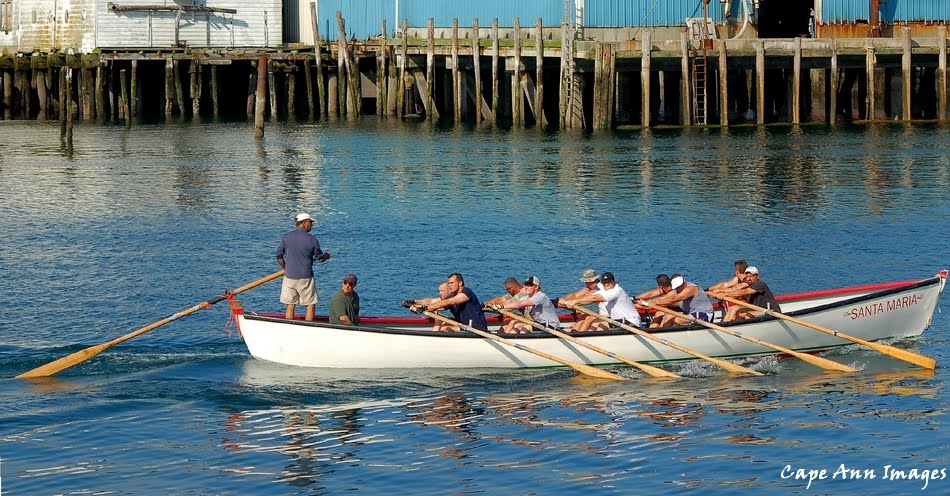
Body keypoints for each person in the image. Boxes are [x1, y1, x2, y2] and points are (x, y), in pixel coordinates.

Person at [276, 212, 331, 321]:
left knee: (290, 304)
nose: (312, 225)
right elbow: (320, 258)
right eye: (310, 222)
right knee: (310, 304)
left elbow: (279, 255)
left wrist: (285, 268)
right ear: (304, 223)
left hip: (289, 276)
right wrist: (326, 256)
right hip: (305, 277)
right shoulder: (312, 239)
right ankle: (309, 327)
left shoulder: (287, 237)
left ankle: (289, 327)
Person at [559, 272, 641, 330]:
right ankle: (577, 337)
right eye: (604, 282)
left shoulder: (615, 291)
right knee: (586, 318)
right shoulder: (603, 290)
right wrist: (560, 301)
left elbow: (593, 298)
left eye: (609, 282)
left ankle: (578, 338)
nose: (606, 284)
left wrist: (573, 302)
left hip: (630, 321)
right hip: (616, 319)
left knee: (591, 320)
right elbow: (579, 296)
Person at [410, 273, 488, 331]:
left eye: (452, 283)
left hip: (477, 328)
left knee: (444, 329)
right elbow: (432, 301)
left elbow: (450, 301)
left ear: (460, 283)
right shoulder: (452, 296)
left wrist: (425, 308)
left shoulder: (466, 293)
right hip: (465, 326)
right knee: (444, 324)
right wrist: (414, 302)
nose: (450, 285)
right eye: (449, 283)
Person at [642, 275, 715, 328]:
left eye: (680, 286)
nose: (679, 288)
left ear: (684, 281)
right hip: (691, 314)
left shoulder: (691, 288)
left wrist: (655, 303)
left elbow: (674, 299)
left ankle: (673, 337)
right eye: (677, 287)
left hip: (705, 314)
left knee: (678, 320)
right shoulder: (677, 290)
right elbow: (664, 299)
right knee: (669, 316)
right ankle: (661, 335)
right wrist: (644, 302)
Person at [712, 266, 781, 321]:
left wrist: (725, 295)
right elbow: (733, 290)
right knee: (733, 308)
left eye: (751, 276)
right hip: (758, 309)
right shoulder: (746, 283)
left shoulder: (760, 284)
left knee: (747, 315)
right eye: (747, 276)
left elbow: (745, 292)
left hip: (771, 311)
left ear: (757, 276)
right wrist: (716, 293)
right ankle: (726, 325)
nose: (748, 279)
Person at [497, 276, 561, 334]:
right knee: (516, 326)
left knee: (526, 328)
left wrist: (502, 306)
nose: (526, 287)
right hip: (539, 324)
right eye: (525, 285)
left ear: (536, 287)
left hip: (551, 326)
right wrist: (496, 308)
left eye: (529, 285)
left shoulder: (541, 296)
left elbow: (520, 304)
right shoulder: (527, 297)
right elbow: (513, 305)